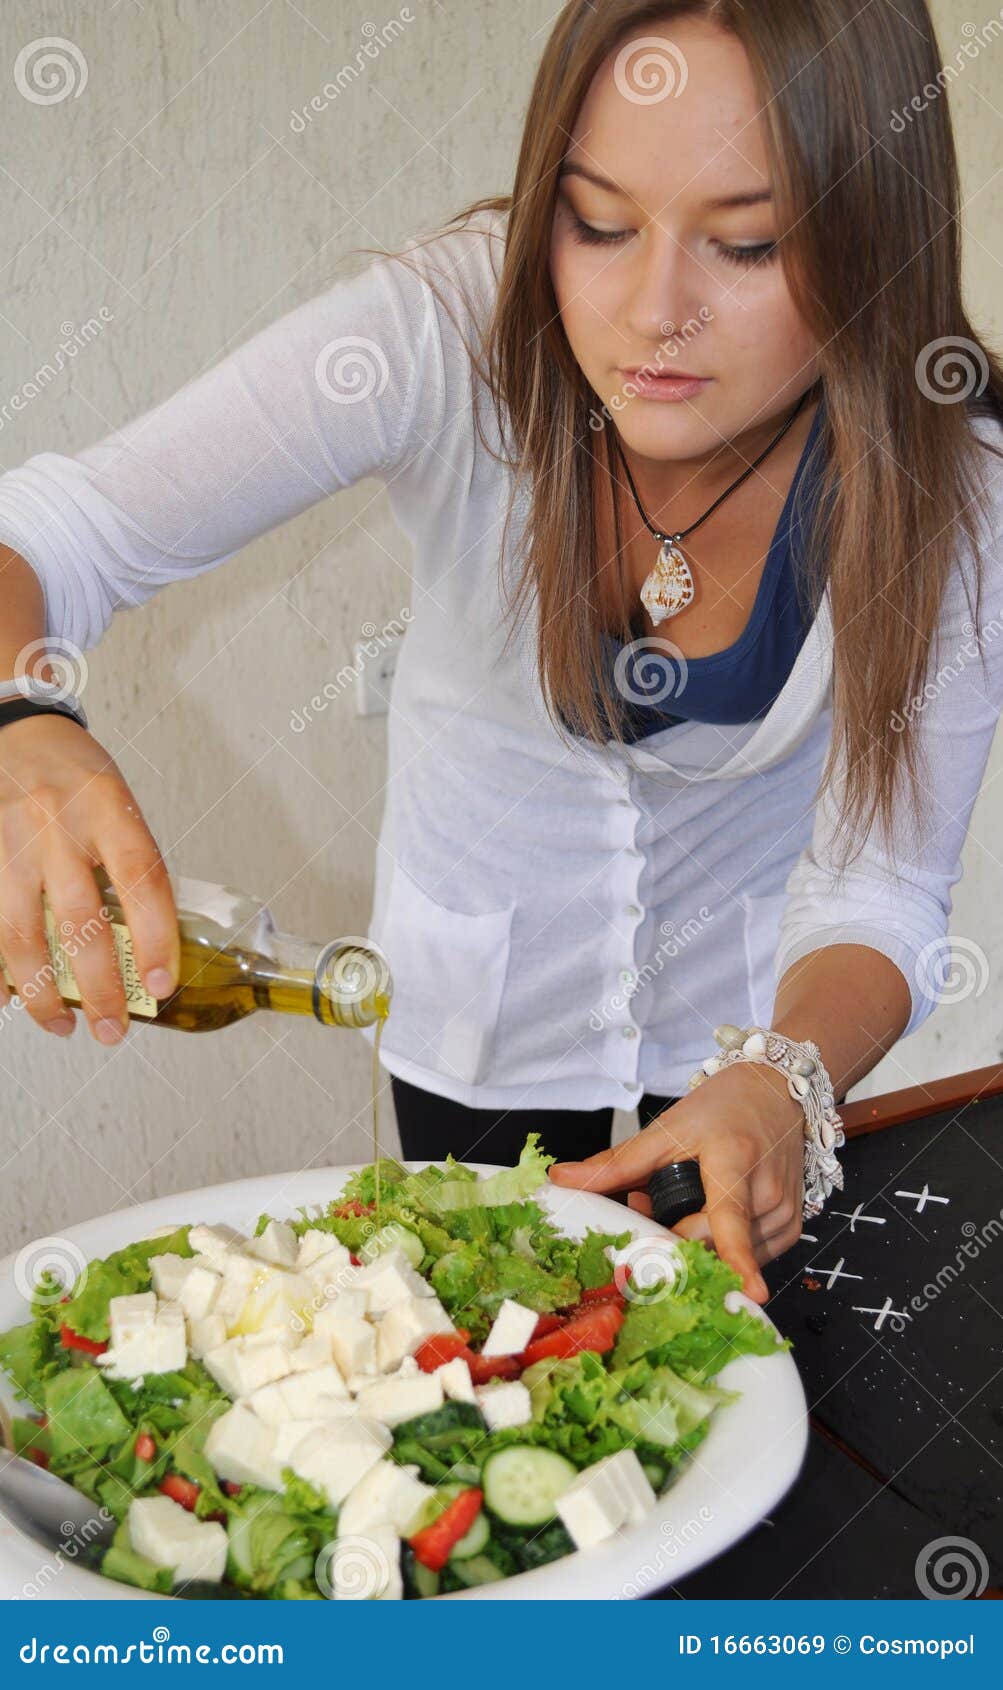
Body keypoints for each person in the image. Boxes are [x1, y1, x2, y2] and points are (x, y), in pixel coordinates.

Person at [1, 1, 1001, 1306]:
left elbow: (881, 891)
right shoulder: (445, 332)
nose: (654, 313)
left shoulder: (955, 487)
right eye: (598, 222)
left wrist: (784, 1078)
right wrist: (23, 722)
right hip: (465, 1048)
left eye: (748, 244)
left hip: (746, 1068)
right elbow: (52, 532)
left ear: (875, 235)